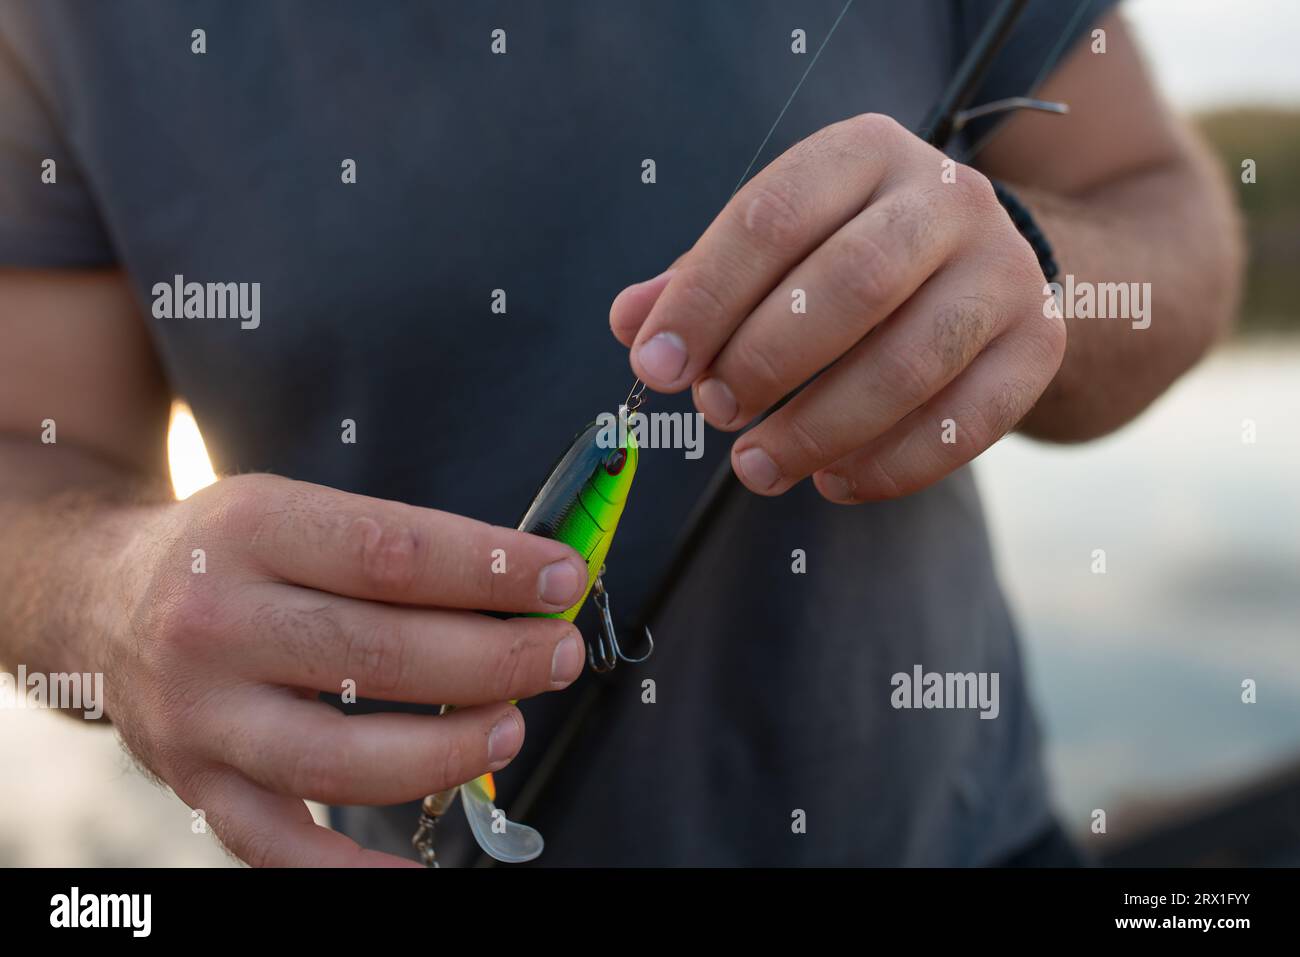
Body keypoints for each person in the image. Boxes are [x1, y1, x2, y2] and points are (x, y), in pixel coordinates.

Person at [0, 1, 1240, 866]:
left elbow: (1166, 213)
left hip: (960, 842)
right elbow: (27, 448)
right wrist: (111, 595)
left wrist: (1030, 272)